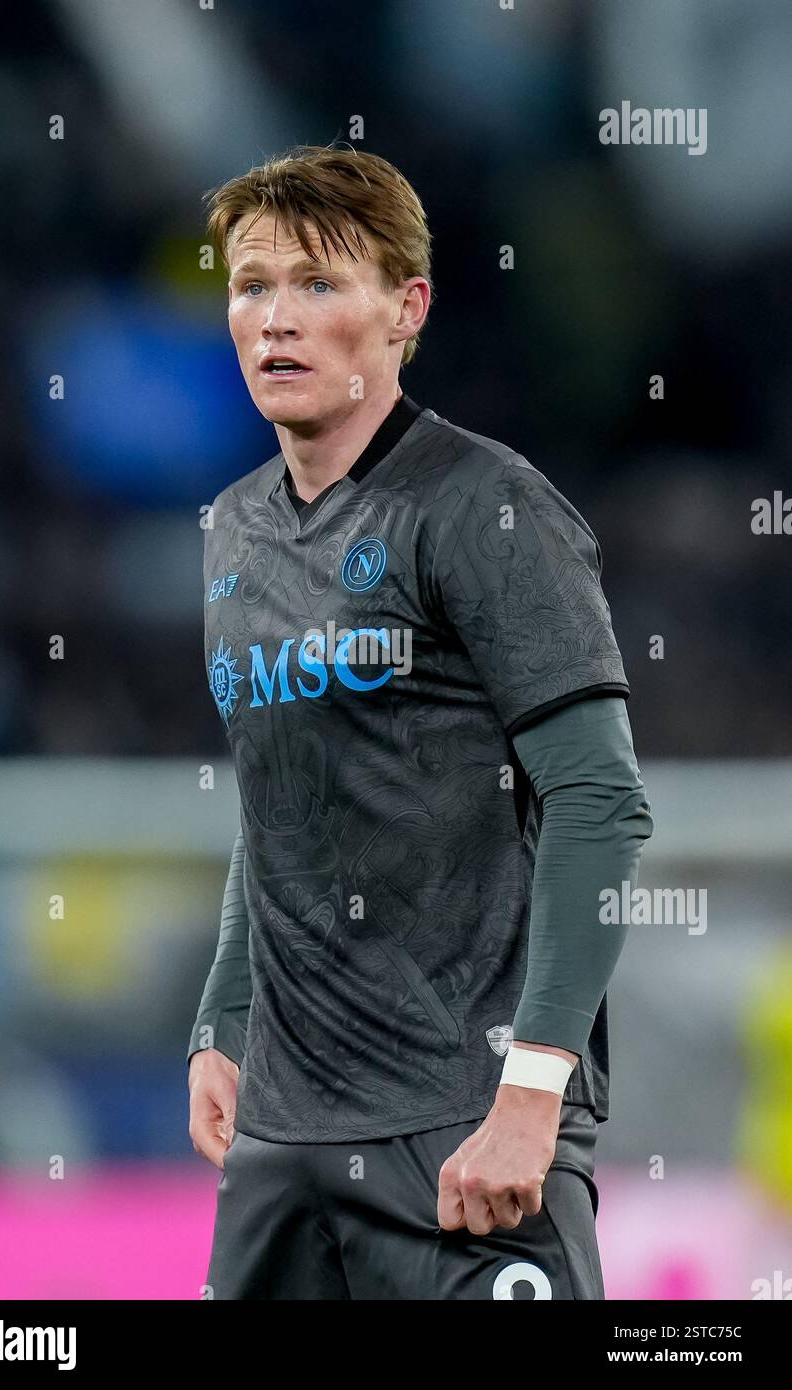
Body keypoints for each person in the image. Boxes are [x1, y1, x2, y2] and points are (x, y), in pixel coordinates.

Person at [187, 144, 653, 1300]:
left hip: (464, 1124)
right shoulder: (234, 527)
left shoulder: (485, 506)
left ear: (407, 310)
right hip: (287, 1138)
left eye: (318, 284)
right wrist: (223, 1014)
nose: (276, 318)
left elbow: (600, 805)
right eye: (252, 285)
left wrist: (532, 1093)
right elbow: (281, 792)